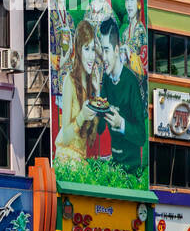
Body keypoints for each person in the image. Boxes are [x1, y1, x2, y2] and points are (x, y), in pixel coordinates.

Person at [94, 15, 147, 179]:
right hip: (114, 167)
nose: (103, 57)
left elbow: (141, 136)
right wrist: (96, 97)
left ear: (117, 50)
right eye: (101, 50)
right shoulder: (107, 81)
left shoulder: (131, 82)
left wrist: (121, 124)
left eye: (106, 50)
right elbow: (100, 128)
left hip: (132, 171)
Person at [55, 18, 102, 165]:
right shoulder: (70, 81)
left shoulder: (91, 85)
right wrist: (82, 116)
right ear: (79, 50)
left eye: (93, 49)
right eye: (86, 49)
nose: (91, 56)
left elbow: (97, 134)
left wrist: (98, 93)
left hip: (81, 160)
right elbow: (65, 137)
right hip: (67, 158)